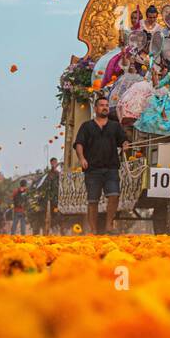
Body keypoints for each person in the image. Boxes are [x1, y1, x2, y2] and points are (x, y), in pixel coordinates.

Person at [73, 93, 129, 235]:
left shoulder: (115, 126)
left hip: (111, 168)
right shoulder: (87, 126)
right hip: (92, 169)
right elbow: (79, 144)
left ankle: (109, 225)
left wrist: (125, 144)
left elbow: (123, 140)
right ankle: (93, 229)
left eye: (106, 106)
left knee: (114, 195)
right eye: (102, 106)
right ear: (95, 108)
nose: (105, 108)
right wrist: (82, 159)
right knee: (93, 201)